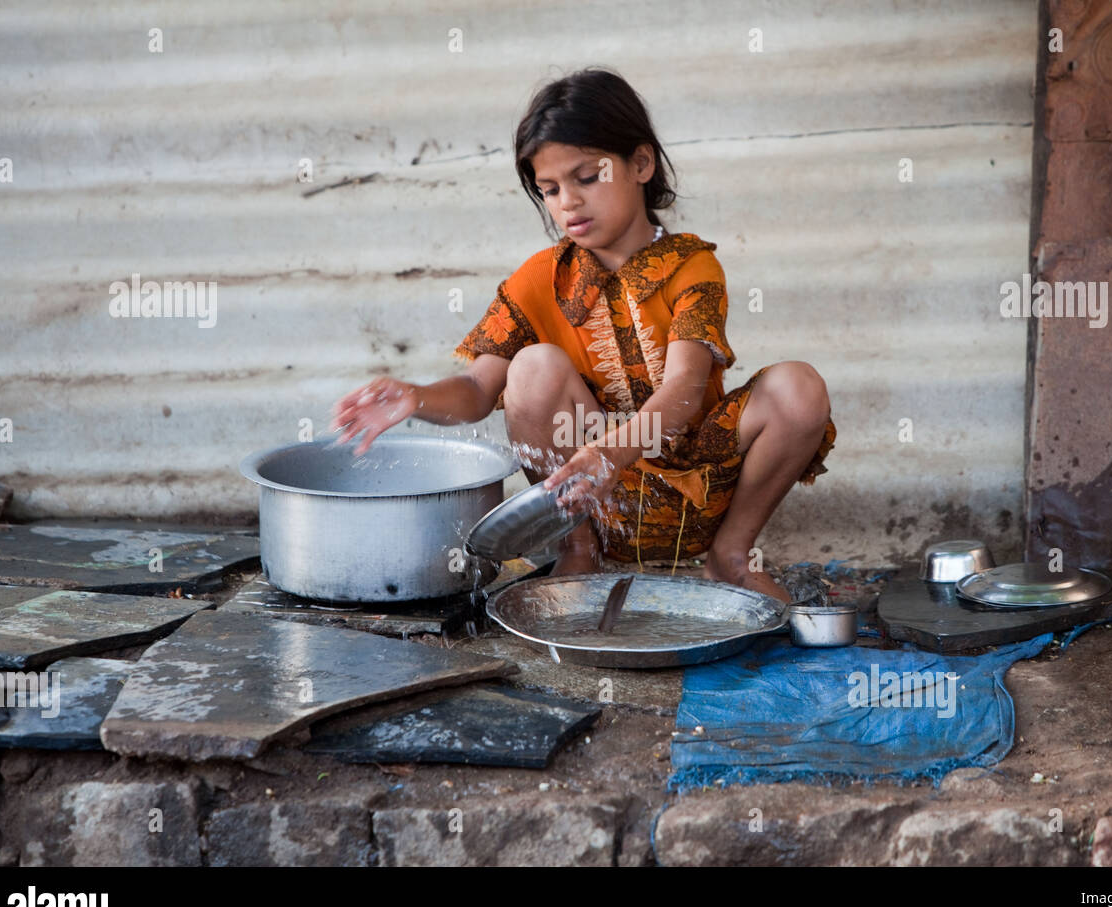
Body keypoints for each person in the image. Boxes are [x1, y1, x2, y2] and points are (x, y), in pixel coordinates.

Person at [330, 68, 835, 601]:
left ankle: (730, 557)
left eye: (587, 178)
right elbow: (479, 392)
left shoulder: (692, 267)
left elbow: (684, 391)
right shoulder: (538, 280)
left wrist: (612, 455)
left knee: (798, 386)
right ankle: (579, 550)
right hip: (590, 496)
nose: (567, 202)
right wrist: (416, 398)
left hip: (702, 489)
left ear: (640, 164)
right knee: (531, 367)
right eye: (549, 189)